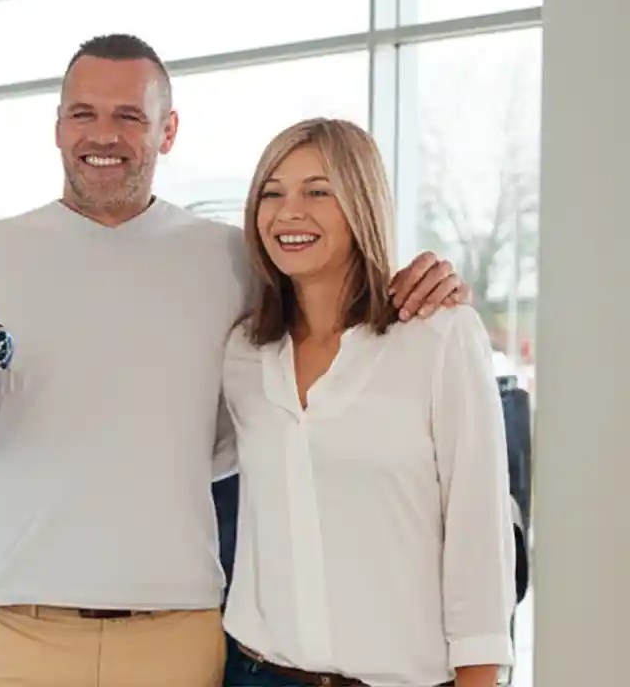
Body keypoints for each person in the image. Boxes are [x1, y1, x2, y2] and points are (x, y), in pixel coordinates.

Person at [0, 34, 468, 687]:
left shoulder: (232, 258)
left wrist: (414, 283)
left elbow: (329, 322)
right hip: (15, 628)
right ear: (58, 126)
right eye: (84, 113)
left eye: (129, 116)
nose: (104, 135)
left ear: (168, 130)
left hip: (177, 631)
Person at [219, 118, 515, 687]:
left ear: (363, 204)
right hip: (257, 672)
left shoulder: (439, 338)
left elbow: (479, 537)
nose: (289, 212)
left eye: (318, 191)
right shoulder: (244, 352)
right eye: (272, 193)